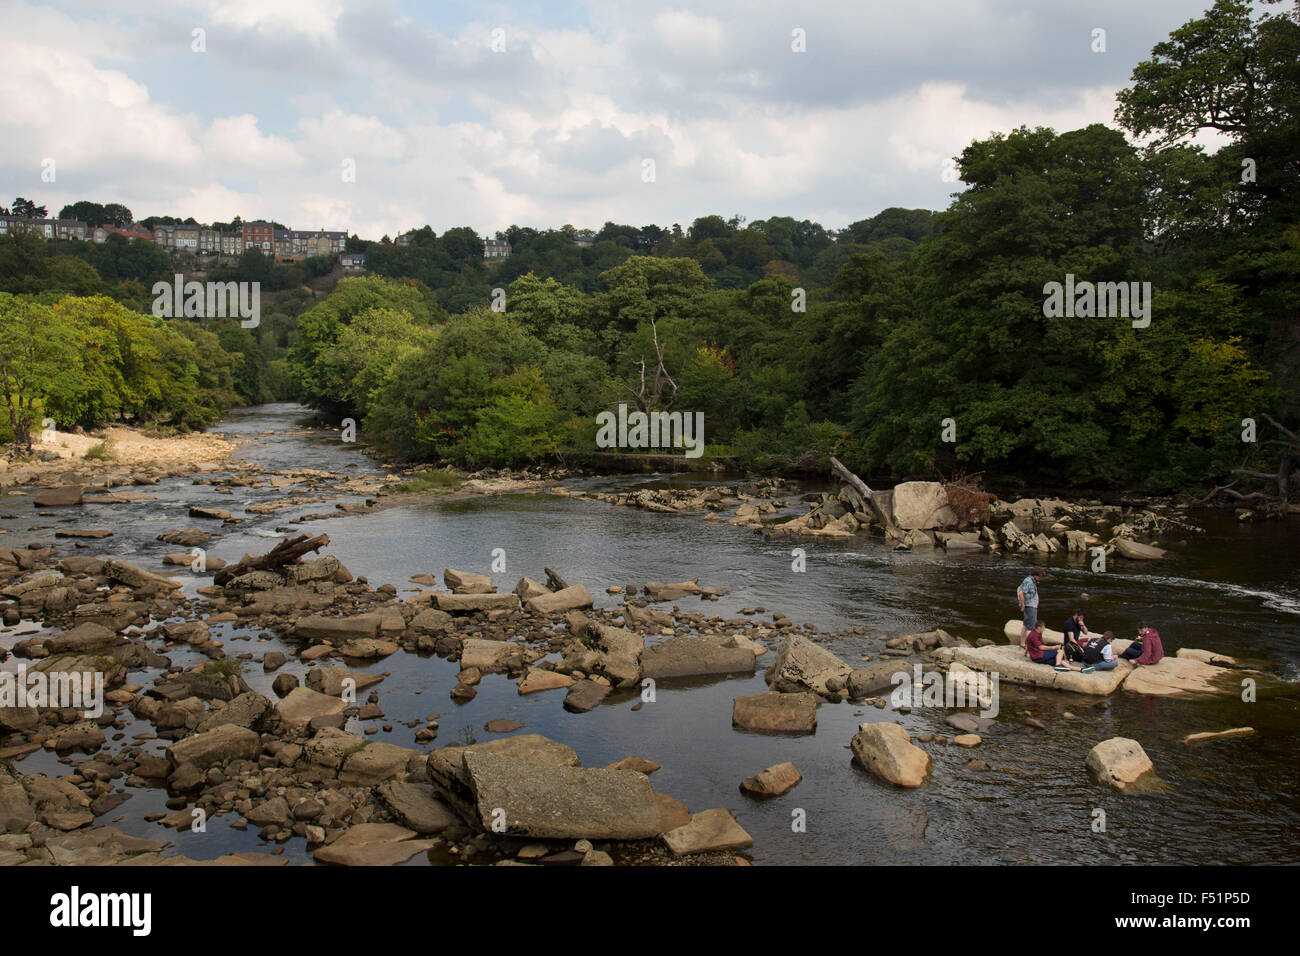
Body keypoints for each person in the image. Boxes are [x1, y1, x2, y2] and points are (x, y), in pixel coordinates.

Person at [1017, 568, 1044, 648]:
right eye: (1040, 576)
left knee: (1025, 624)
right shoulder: (1028, 581)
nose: (1040, 578)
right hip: (1030, 606)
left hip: (1031, 605)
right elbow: (1021, 593)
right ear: (1035, 575)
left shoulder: (1031, 581)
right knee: (1032, 627)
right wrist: (1023, 605)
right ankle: (1030, 646)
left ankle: (1022, 644)